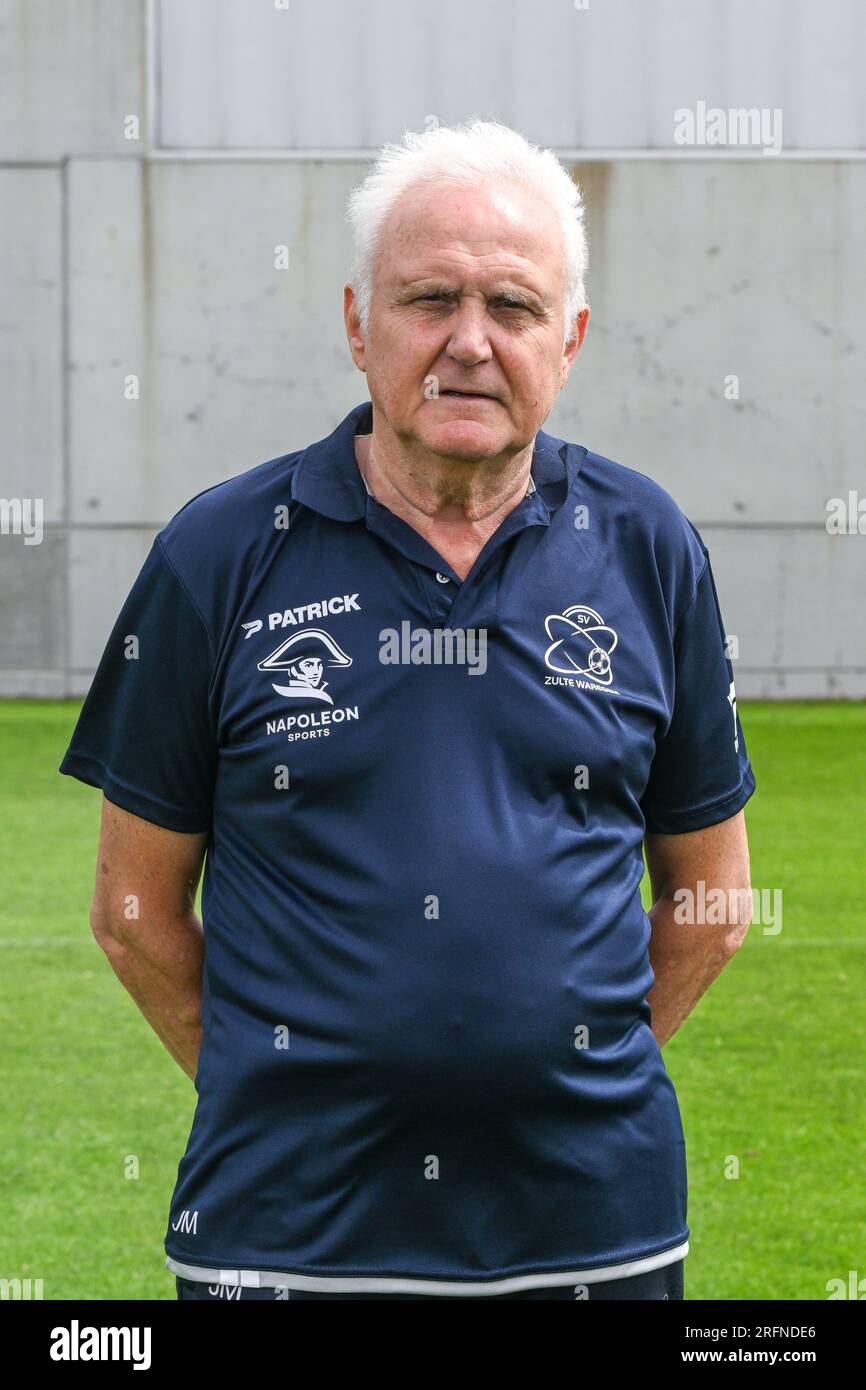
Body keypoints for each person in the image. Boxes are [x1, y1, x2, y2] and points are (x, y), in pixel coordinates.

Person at [59, 118, 756, 1301]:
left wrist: (559, 1076)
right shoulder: (217, 551)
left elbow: (712, 898)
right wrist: (270, 1081)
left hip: (594, 1233)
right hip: (285, 1235)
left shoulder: (647, 548)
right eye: (428, 298)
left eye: (513, 307)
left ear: (569, 340)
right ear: (355, 324)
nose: (470, 343)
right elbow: (133, 910)